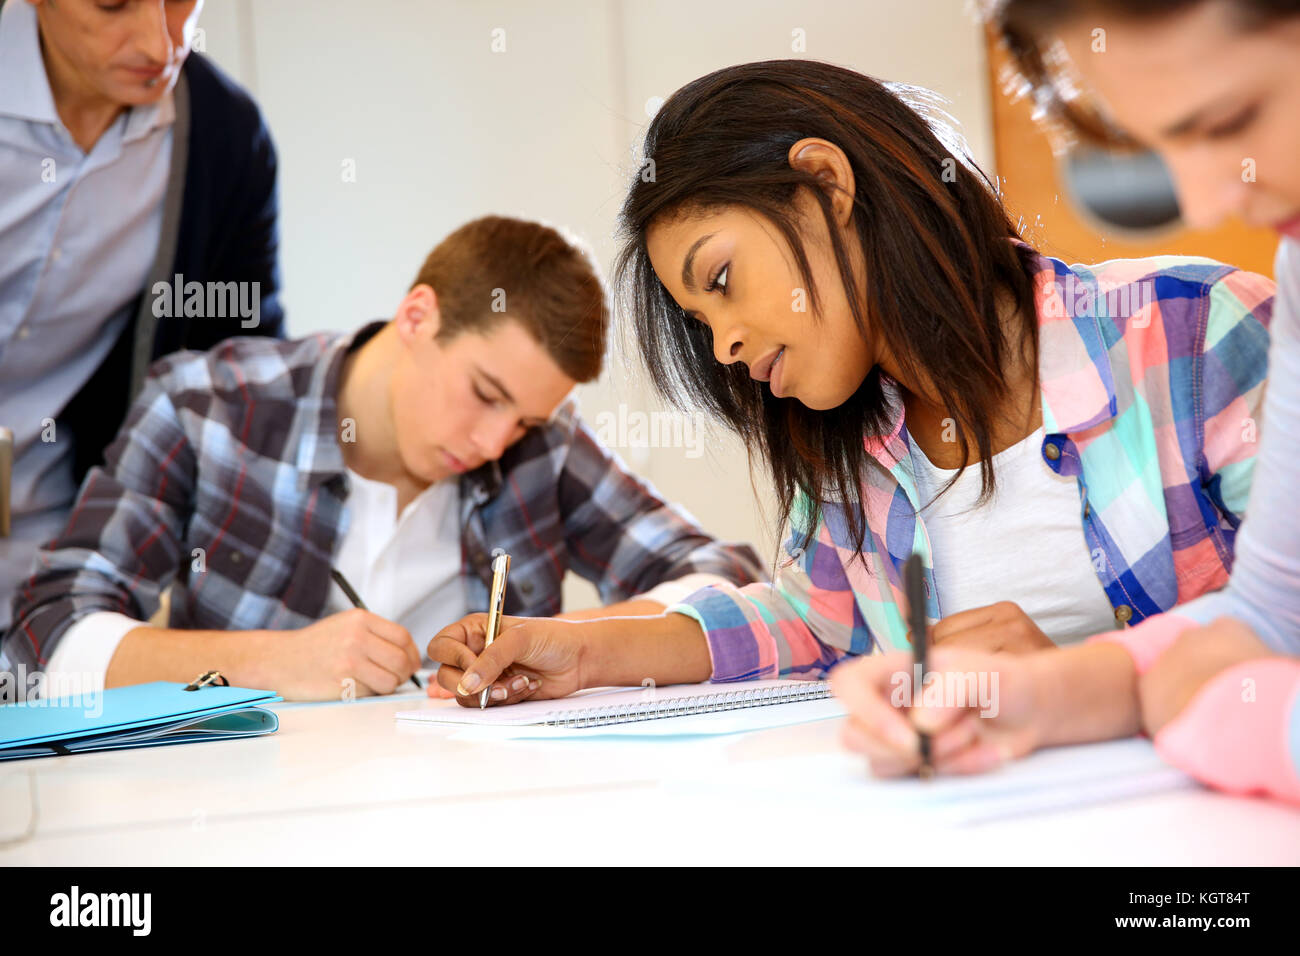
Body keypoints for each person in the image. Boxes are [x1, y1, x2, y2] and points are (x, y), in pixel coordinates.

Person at [423, 60, 1274, 709]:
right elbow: (813, 623)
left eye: (720, 280)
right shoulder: (852, 453)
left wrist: (1083, 686)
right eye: (701, 321)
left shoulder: (1200, 332)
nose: (723, 346)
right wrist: (587, 651)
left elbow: (1283, 625)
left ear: (826, 184)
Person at [835, 0, 1300, 804]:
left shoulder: (1203, 319)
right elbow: (1269, 617)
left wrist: (1238, 716)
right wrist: (1029, 699)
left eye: (1230, 121)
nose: (1206, 200)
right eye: (1157, 146)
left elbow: (1242, 676)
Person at [0, 216, 763, 701]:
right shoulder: (203, 409)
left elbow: (724, 581)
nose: (495, 443)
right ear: (417, 315)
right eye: (484, 392)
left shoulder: (544, 445)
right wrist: (271, 663)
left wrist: (569, 646)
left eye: (525, 418)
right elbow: (41, 641)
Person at [0, 0, 285, 631]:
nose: (162, 45)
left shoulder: (222, 136)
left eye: (182, 2)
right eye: (113, 4)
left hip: (54, 552)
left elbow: (242, 376)